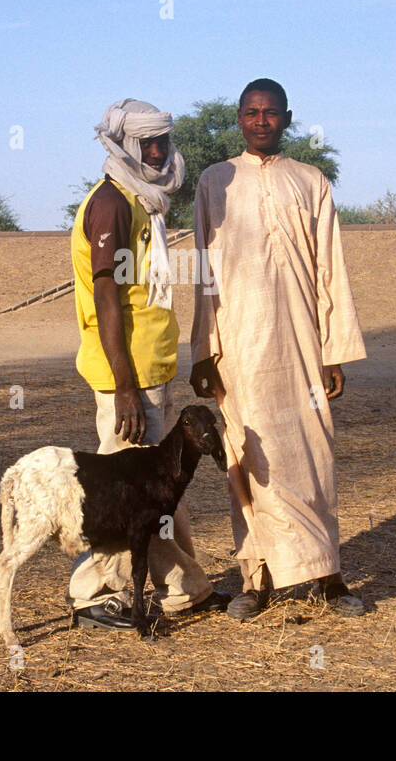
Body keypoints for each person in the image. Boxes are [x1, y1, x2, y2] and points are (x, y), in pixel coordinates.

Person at [190, 78, 367, 619]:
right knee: (247, 459)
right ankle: (257, 578)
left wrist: (333, 348)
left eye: (270, 113)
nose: (261, 121)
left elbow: (329, 269)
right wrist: (203, 350)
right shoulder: (214, 181)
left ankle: (328, 575)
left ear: (287, 118)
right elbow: (203, 272)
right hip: (239, 345)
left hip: (301, 344)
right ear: (238, 119)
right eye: (251, 112)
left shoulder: (311, 181)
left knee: (312, 456)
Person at [68, 97, 229, 631]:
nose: (159, 151)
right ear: (123, 145)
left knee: (162, 487)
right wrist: (125, 388)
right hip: (126, 378)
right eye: (148, 143)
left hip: (148, 369)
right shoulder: (113, 204)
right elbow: (107, 297)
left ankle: (186, 588)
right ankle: (94, 592)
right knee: (127, 498)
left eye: (164, 140)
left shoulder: (143, 201)